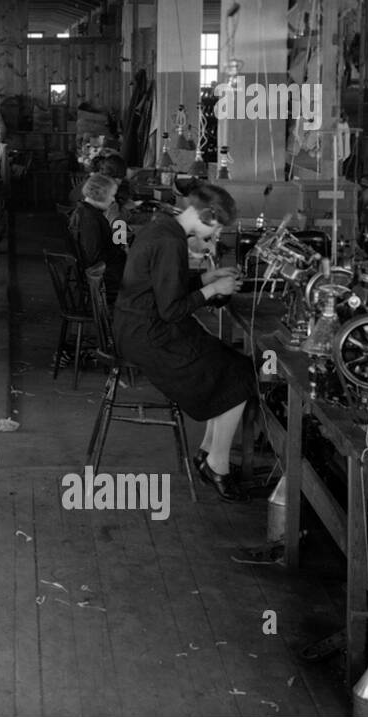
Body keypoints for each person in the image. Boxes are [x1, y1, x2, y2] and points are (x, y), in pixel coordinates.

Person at [112, 183, 253, 502]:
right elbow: (172, 308)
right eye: (215, 228)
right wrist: (212, 292)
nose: (213, 237)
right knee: (242, 374)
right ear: (206, 215)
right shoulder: (169, 242)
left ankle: (208, 452)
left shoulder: (163, 228)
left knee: (228, 364)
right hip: (148, 335)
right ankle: (217, 464)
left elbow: (166, 285)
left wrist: (206, 279)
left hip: (138, 325)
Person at [68, 173, 126, 304]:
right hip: (102, 278)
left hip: (98, 273)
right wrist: (121, 246)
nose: (113, 200)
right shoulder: (91, 219)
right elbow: (94, 258)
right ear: (100, 194)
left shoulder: (83, 210)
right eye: (111, 195)